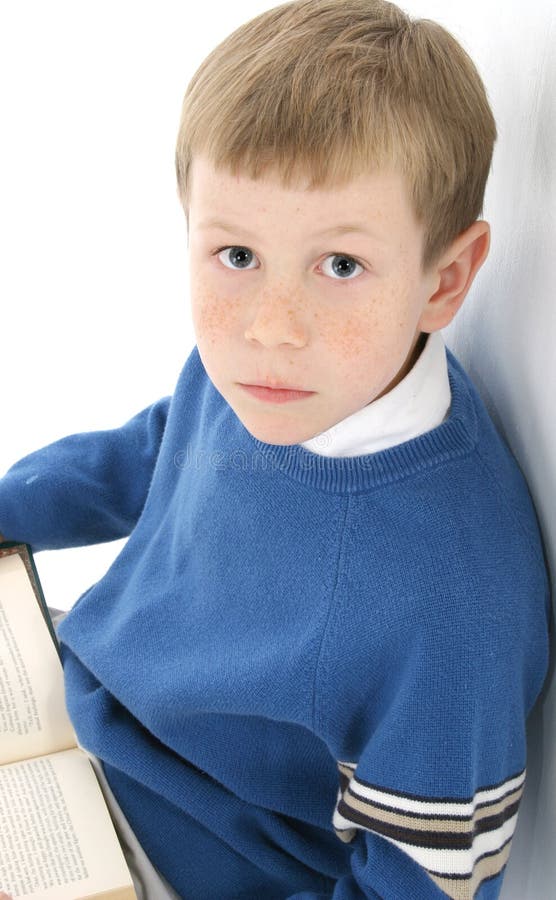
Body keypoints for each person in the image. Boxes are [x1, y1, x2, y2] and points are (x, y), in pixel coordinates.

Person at [0, 0, 551, 897]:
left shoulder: (449, 598)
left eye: (340, 266)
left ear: (444, 280)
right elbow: (155, 453)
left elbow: (422, 879)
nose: (270, 328)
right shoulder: (270, 389)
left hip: (181, 860)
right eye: (237, 255)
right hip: (88, 708)